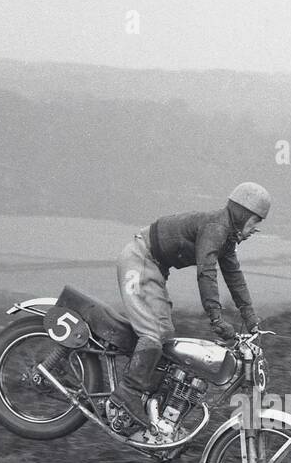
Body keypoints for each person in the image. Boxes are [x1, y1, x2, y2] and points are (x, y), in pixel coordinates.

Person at [108, 182, 270, 428]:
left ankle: (148, 399)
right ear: (242, 214)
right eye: (253, 223)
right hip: (140, 259)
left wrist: (252, 320)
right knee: (152, 333)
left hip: (154, 268)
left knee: (165, 334)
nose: (252, 231)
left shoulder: (226, 237)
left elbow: (234, 277)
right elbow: (207, 272)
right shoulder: (216, 227)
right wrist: (215, 318)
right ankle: (126, 393)